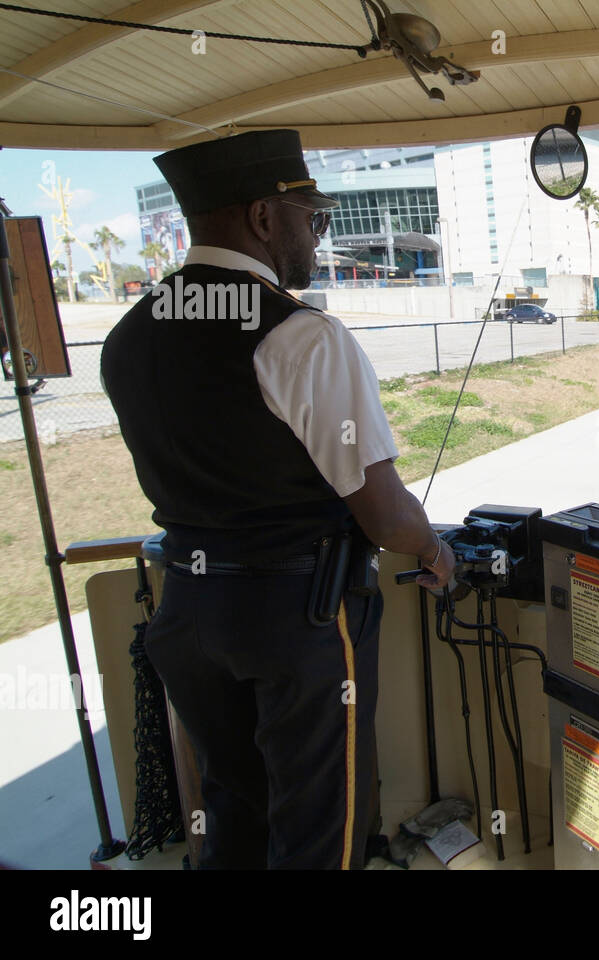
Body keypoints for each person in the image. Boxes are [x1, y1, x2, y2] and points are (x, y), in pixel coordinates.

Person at [100, 129, 454, 869]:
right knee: (322, 824)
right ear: (265, 218)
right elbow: (385, 515)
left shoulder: (127, 337)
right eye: (312, 217)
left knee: (237, 808)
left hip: (188, 613)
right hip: (299, 618)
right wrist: (429, 546)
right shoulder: (301, 336)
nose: (318, 236)